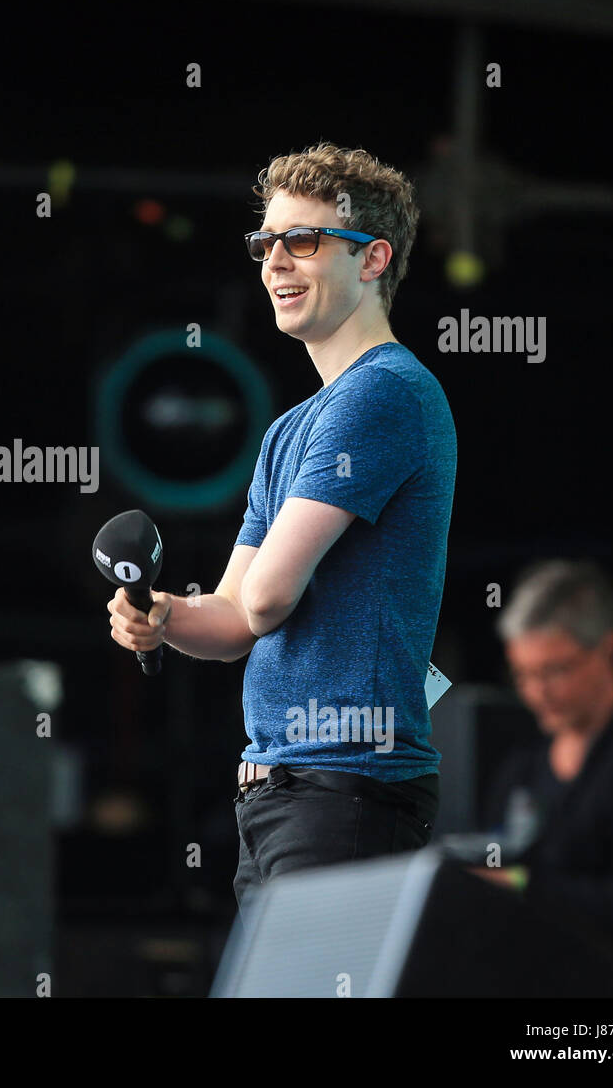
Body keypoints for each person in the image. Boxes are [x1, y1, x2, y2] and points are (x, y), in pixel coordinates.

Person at [107, 142, 456, 910]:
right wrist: (163, 614)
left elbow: (264, 601)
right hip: (285, 792)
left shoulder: (386, 391)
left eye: (303, 241)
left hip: (347, 788)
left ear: (373, 260)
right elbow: (232, 620)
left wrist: (195, 612)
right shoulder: (290, 429)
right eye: (266, 243)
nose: (274, 263)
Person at [481, 560, 613, 988]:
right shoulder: (523, 764)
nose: (537, 692)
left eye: (555, 670)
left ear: (610, 649)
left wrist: (522, 885)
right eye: (523, 674)